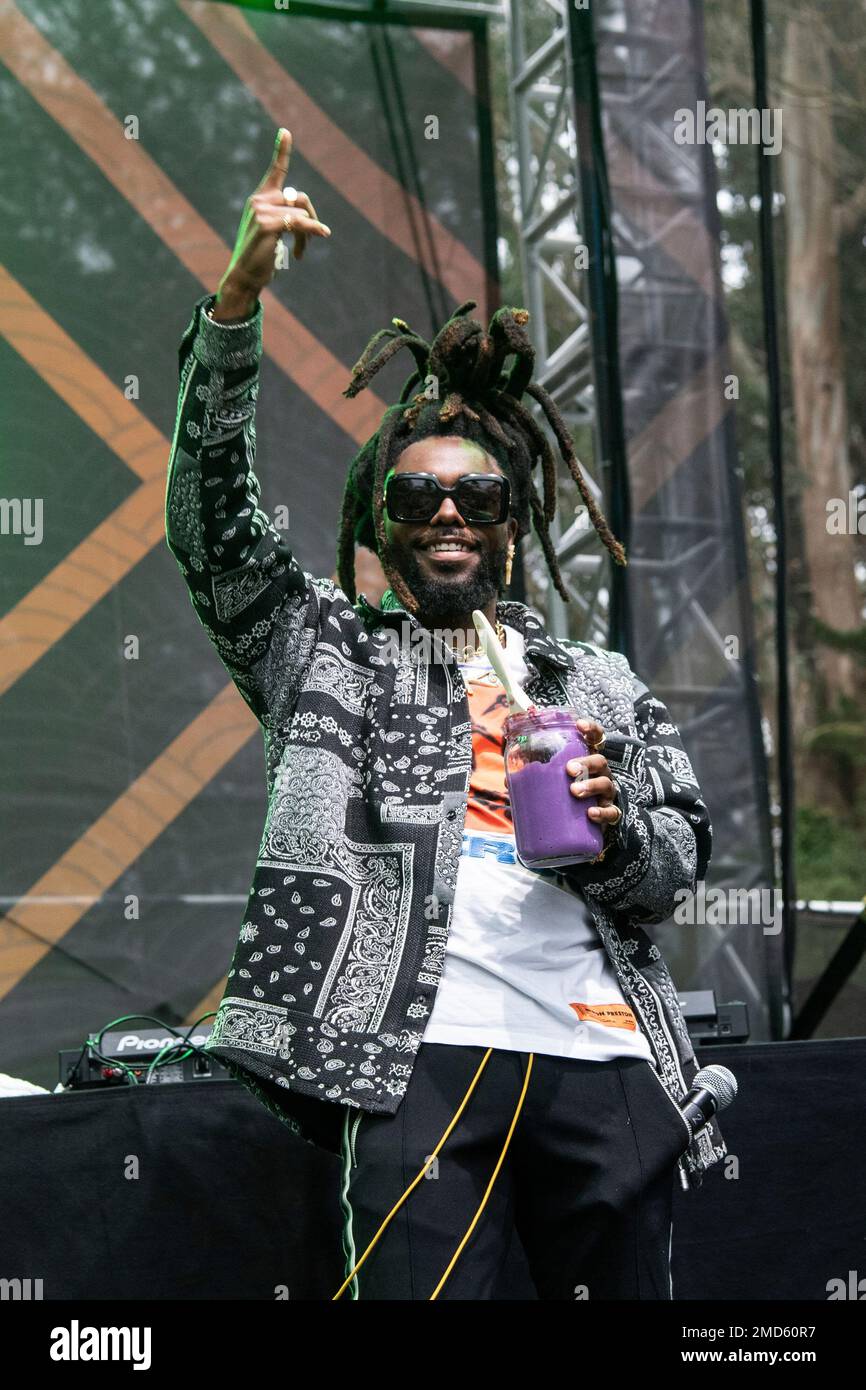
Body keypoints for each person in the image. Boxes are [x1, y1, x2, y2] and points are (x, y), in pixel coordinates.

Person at [165, 127, 726, 1301]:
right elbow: (213, 528)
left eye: (477, 493)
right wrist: (235, 303)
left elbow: (676, 861)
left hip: (609, 1053)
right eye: (415, 494)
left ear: (511, 522)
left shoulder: (594, 679)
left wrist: (616, 831)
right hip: (413, 1047)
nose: (448, 512)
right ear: (380, 520)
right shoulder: (321, 650)